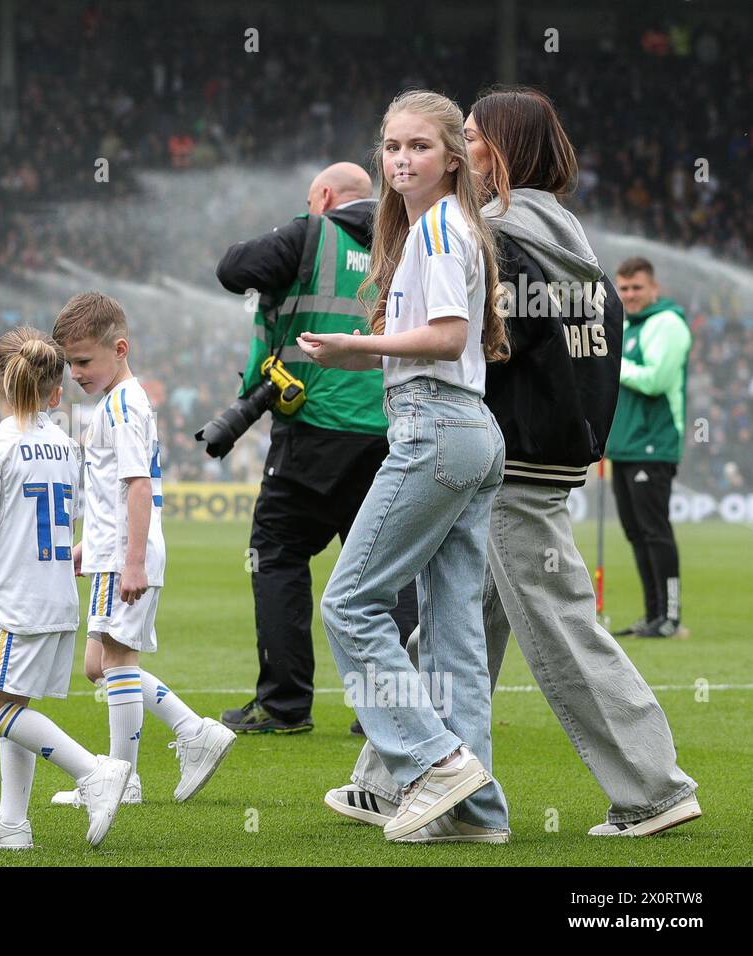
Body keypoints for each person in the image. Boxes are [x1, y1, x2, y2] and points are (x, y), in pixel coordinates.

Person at [328, 88, 700, 840]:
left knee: (556, 626)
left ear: (499, 148)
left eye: (470, 136)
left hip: (500, 449)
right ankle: (386, 779)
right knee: (457, 625)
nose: (463, 150)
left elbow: (470, 343)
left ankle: (652, 787)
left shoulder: (491, 232)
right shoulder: (571, 237)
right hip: (547, 449)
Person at [297, 90, 510, 843]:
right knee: (453, 636)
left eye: (418, 147)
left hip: (437, 428)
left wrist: (357, 347)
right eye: (391, 147)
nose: (399, 161)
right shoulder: (439, 225)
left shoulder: (441, 228)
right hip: (468, 433)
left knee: (349, 602)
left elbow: (451, 337)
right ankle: (476, 815)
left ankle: (431, 762)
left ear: (454, 157)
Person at [214, 162, 419, 737]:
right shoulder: (406, 241)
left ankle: (284, 704)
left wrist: (302, 224)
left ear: (324, 196)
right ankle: (386, 707)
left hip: (312, 430)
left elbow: (234, 268)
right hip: (389, 432)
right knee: (388, 571)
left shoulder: (311, 233)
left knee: (277, 554)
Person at [0, 327, 131, 849]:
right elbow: (64, 520)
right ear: (54, 393)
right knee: (14, 702)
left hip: (18, 602)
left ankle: (93, 771)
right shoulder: (67, 445)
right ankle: (12, 822)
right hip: (57, 598)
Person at [48, 292, 236, 808]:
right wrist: (92, 542)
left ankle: (122, 780)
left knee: (118, 663)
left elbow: (137, 486)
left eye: (84, 361)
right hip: (112, 551)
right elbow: (114, 490)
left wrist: (131, 559)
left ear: (120, 348)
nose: (76, 373)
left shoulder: (126, 404)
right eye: (70, 363)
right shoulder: (112, 402)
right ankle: (192, 731)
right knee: (99, 666)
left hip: (126, 557)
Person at [607, 257, 693, 639]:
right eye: (623, 288)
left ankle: (671, 618)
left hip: (654, 444)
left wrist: (611, 364)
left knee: (654, 530)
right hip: (624, 445)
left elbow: (656, 380)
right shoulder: (625, 325)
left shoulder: (668, 323)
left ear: (653, 288)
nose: (629, 295)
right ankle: (652, 615)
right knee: (636, 532)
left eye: (636, 287)